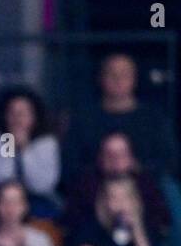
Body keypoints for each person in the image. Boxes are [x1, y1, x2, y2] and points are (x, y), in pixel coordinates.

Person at [65, 52, 178, 180]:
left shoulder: (154, 118)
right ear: (101, 78)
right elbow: (71, 163)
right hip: (94, 189)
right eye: (111, 74)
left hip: (146, 187)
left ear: (134, 78)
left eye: (125, 74)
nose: (118, 79)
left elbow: (169, 161)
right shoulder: (83, 118)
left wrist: (136, 167)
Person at [0, 86, 61, 206]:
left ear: (34, 117)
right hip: (2, 205)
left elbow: (42, 186)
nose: (17, 119)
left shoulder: (47, 143)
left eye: (23, 113)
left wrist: (25, 149)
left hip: (39, 201)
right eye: (12, 113)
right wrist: (9, 144)